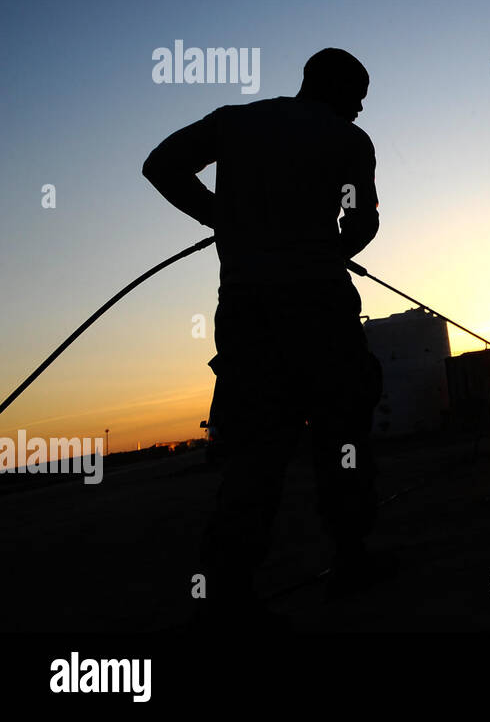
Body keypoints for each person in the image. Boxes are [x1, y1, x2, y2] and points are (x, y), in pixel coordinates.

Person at [143, 47, 383, 624]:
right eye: (357, 99)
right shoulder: (350, 141)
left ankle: (228, 592)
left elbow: (161, 165)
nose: (357, 110)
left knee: (254, 453)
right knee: (342, 440)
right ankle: (351, 562)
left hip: (249, 315)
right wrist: (329, 252)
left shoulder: (235, 122)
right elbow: (363, 220)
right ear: (342, 91)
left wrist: (221, 217)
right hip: (321, 309)